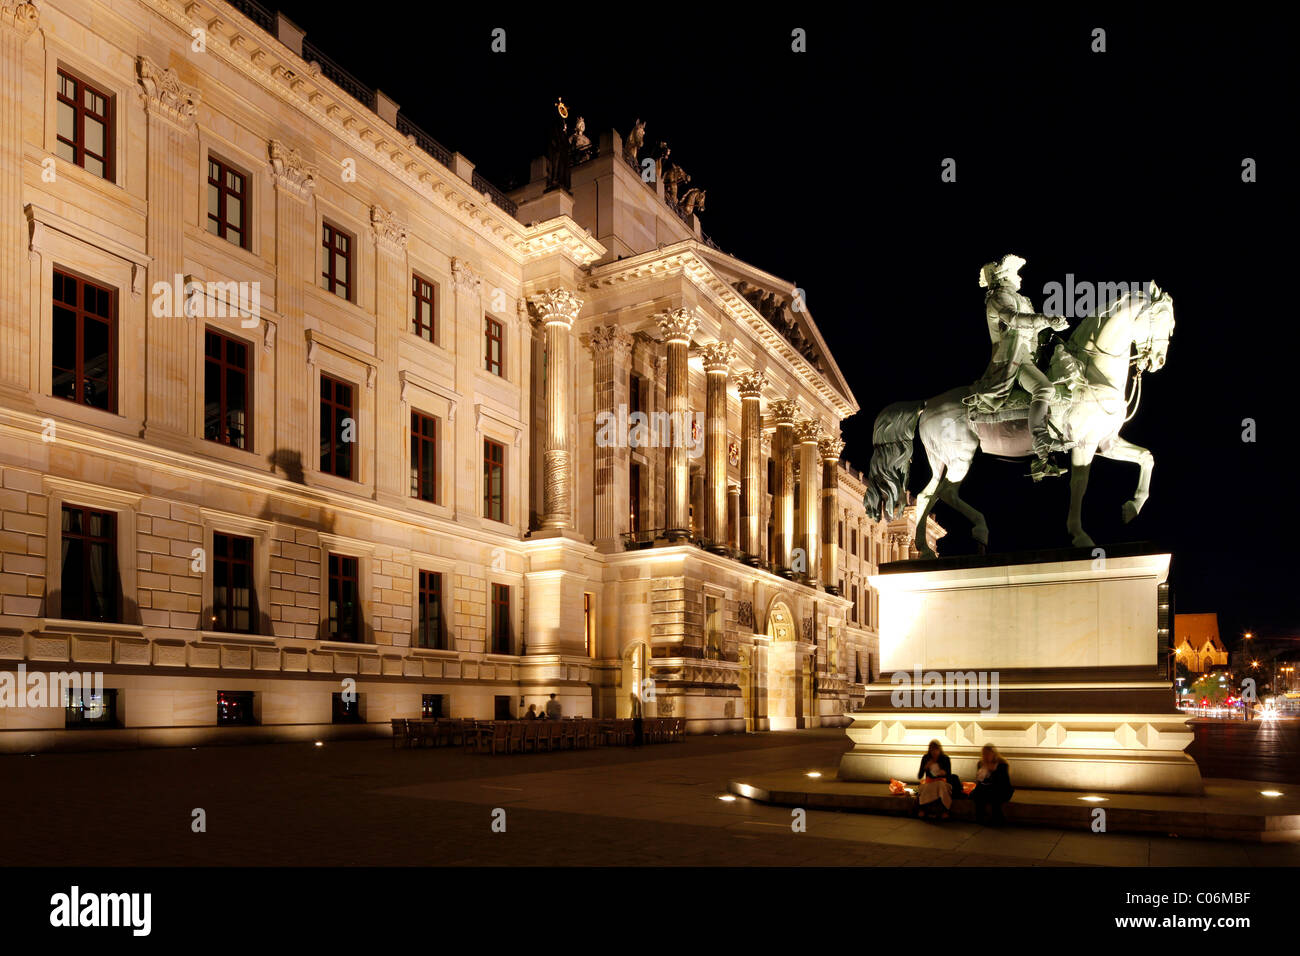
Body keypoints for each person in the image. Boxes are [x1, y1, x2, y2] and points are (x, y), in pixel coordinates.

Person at [965, 253, 1071, 479]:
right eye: (1016, 273)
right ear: (1005, 277)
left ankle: (1044, 459)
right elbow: (1014, 319)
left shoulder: (1020, 298)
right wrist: (1046, 319)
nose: (1020, 278)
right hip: (1012, 360)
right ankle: (1041, 440)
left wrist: (1052, 324)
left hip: (1028, 355)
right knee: (1044, 388)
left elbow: (1031, 327)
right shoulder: (999, 298)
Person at [972, 744, 1014, 825]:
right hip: (986, 788)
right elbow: (980, 781)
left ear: (994, 754)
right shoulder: (981, 764)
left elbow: (1002, 782)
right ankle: (980, 817)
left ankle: (997, 819)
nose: (986, 756)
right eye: (984, 754)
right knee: (978, 794)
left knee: (995, 796)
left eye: (988, 754)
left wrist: (993, 771)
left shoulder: (1002, 765)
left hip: (1002, 789)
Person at [917, 739, 953, 819]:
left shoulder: (945, 758)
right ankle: (922, 810)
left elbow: (949, 776)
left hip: (941, 782)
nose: (934, 752)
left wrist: (944, 773)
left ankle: (944, 811)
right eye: (932, 750)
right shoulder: (926, 758)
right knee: (925, 787)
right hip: (929, 782)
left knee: (940, 786)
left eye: (936, 750)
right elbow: (919, 776)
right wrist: (925, 767)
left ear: (940, 750)